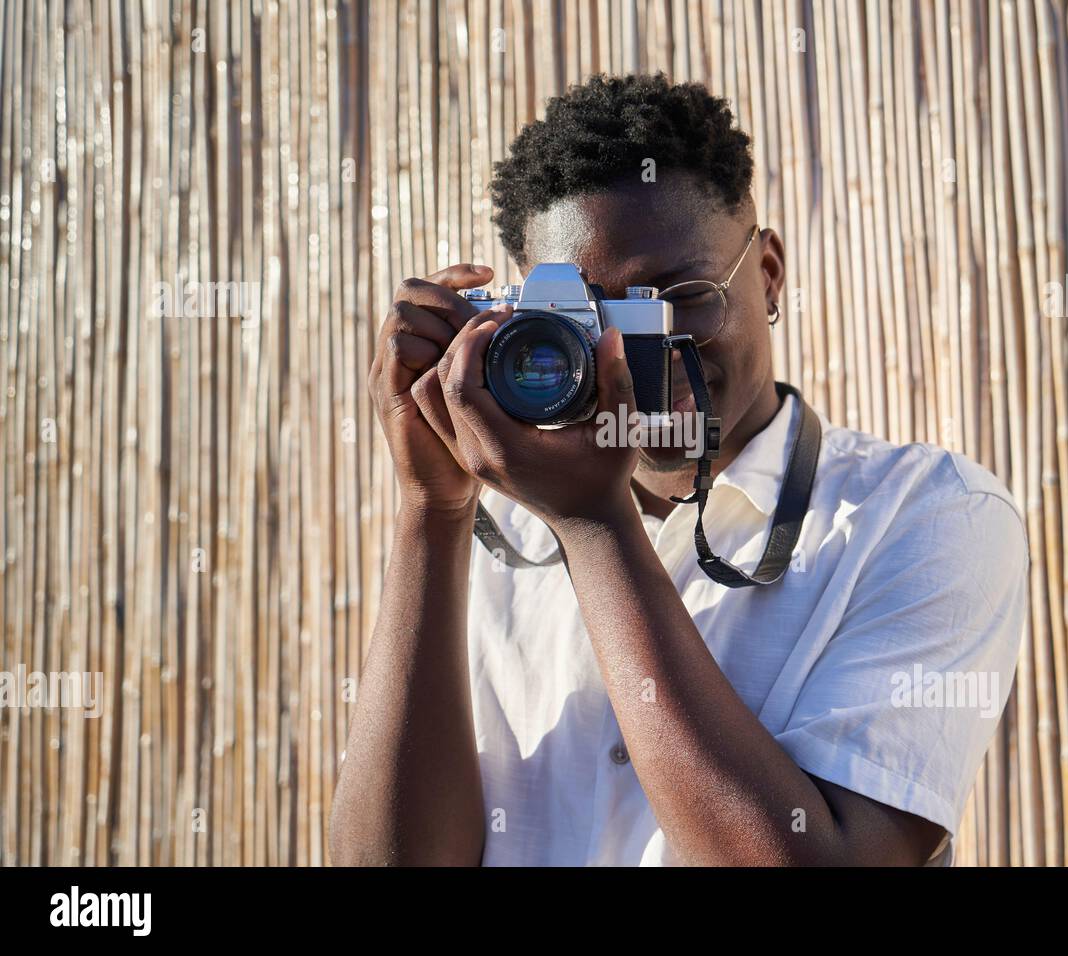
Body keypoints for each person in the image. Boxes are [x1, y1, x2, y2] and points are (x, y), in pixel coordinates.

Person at [330, 72, 1028, 866]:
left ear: (767, 274)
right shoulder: (497, 533)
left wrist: (594, 524)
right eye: (588, 315)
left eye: (679, 298)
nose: (637, 351)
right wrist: (434, 509)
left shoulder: (926, 515)